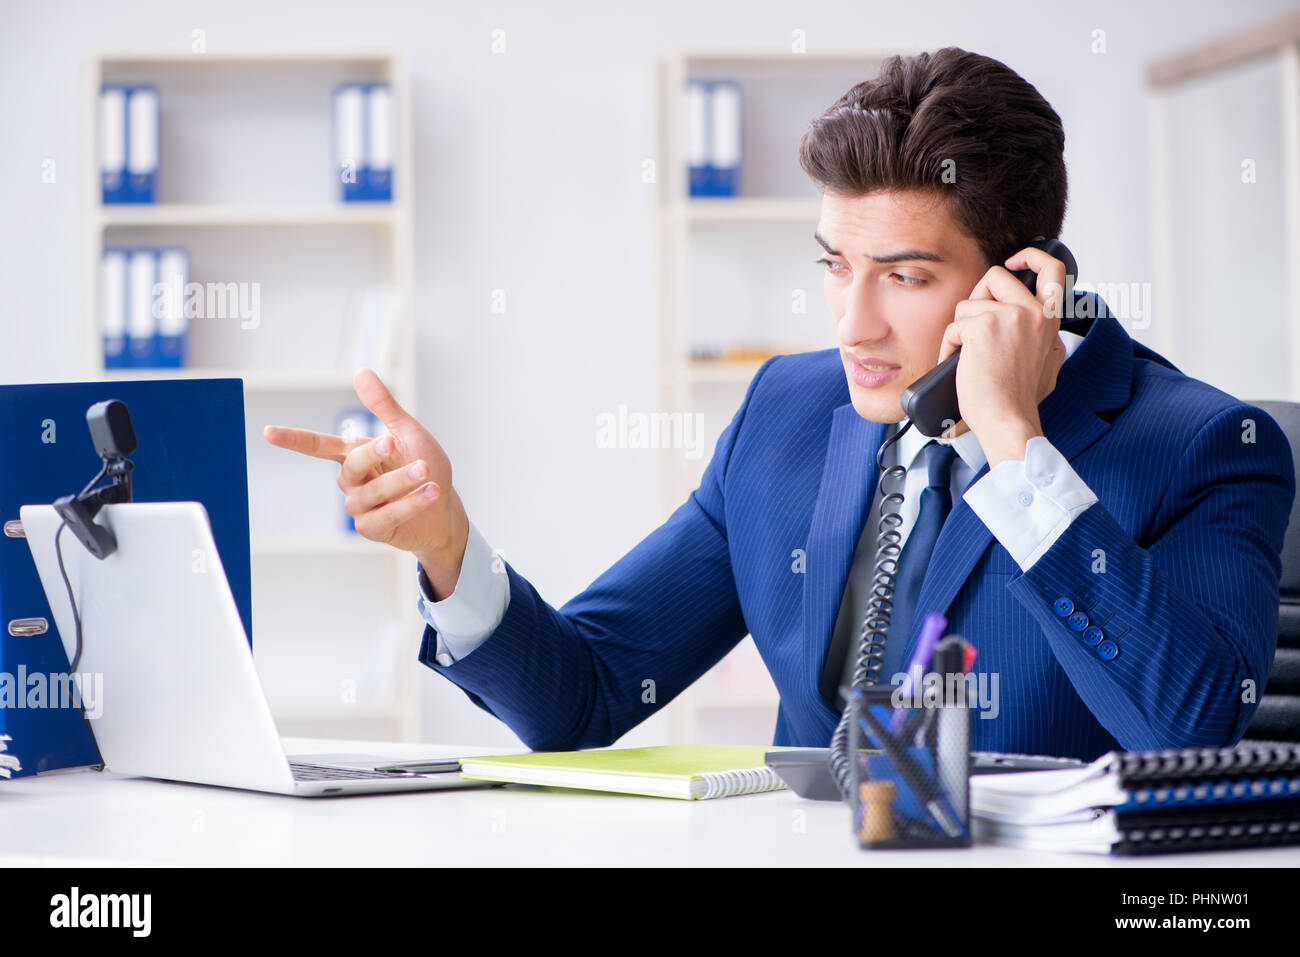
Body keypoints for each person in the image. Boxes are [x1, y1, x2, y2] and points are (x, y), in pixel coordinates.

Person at [266, 47, 1295, 761]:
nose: (852, 325)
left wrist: (1016, 449)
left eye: (901, 277)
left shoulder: (1204, 447)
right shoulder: (788, 412)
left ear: (1021, 283)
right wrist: (447, 548)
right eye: (833, 265)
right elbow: (584, 696)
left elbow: (1192, 728)